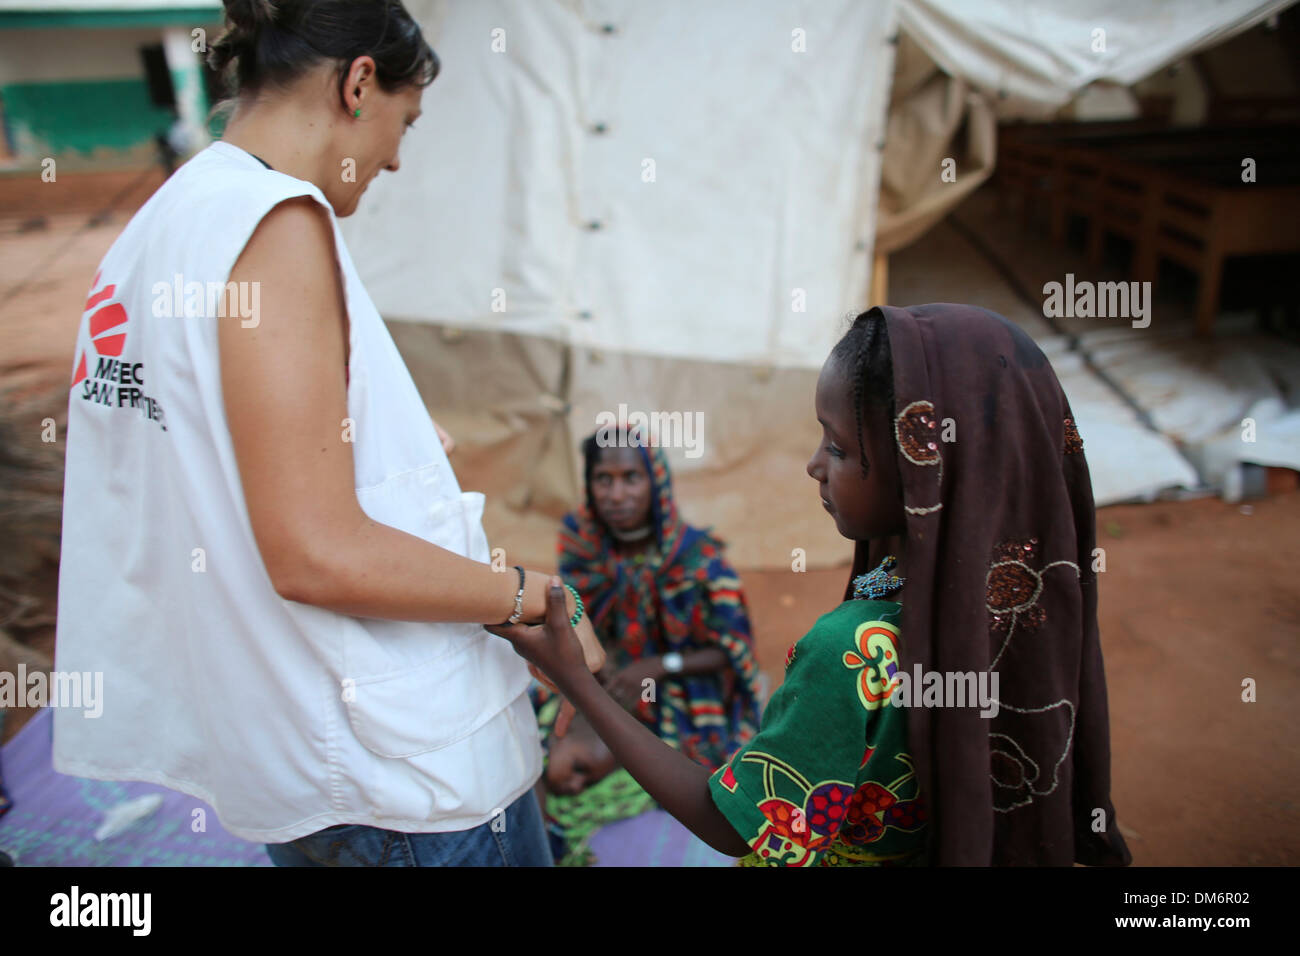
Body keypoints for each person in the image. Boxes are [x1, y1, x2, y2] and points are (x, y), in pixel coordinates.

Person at [53, 0, 602, 868]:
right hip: (398, 781)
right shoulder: (275, 223)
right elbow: (316, 551)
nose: (396, 158)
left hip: (292, 754)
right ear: (357, 84)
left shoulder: (167, 222)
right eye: (403, 123)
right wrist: (533, 596)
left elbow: (218, 462)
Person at [492, 304, 1133, 867]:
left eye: (840, 446)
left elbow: (730, 824)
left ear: (921, 467)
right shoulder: (1033, 605)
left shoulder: (849, 650)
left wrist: (578, 681)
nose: (814, 464)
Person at [557, 430, 764, 772]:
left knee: (677, 766)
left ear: (656, 482)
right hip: (608, 679)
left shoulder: (697, 558)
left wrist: (660, 666)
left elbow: (733, 649)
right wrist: (601, 665)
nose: (616, 495)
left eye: (631, 478)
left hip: (679, 683)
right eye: (603, 479)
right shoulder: (583, 547)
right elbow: (572, 618)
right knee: (548, 746)